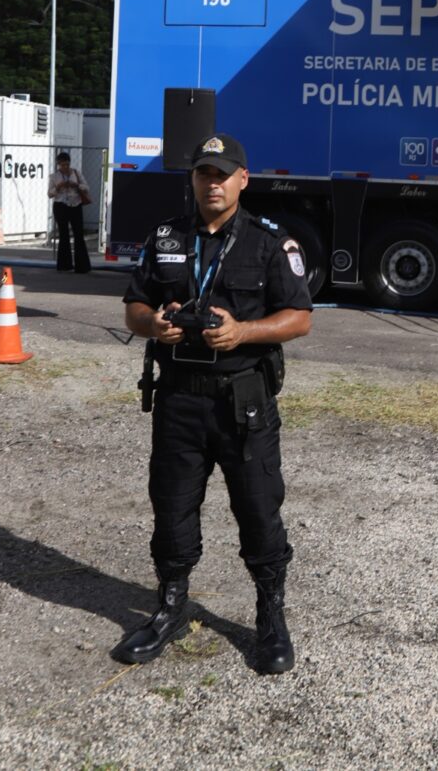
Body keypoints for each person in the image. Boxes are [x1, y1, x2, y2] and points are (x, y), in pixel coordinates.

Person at [115, 133, 312, 674]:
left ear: (243, 180)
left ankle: (270, 616)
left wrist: (244, 332)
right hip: (179, 400)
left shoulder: (271, 242)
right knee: (172, 508)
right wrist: (152, 324)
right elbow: (134, 303)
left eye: (224, 174)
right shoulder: (166, 237)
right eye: (204, 173)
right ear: (194, 180)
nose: (214, 183)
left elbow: (300, 317)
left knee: (257, 508)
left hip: (242, 402)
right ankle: (171, 608)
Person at [47, 151, 91, 273]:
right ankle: (64, 265)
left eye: (66, 164)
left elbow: (86, 187)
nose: (65, 167)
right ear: (58, 164)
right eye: (62, 165)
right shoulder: (54, 176)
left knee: (78, 234)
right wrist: (59, 187)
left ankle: (82, 266)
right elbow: (50, 194)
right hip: (60, 206)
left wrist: (76, 185)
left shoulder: (76, 173)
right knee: (64, 235)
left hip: (75, 205)